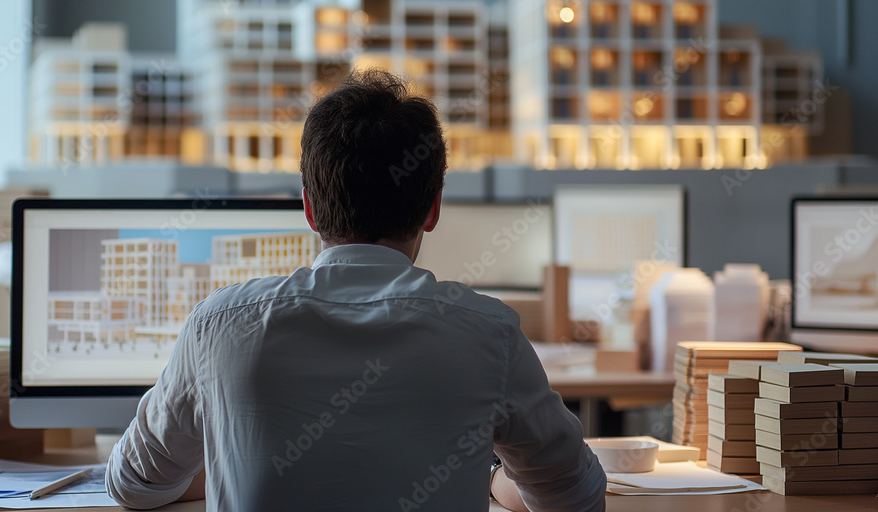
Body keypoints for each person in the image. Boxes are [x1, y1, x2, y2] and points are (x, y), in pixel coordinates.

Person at [106, 70, 606, 511]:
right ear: (433, 209)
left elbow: (133, 484)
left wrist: (230, 463)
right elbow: (577, 498)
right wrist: (491, 478)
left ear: (308, 207)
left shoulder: (217, 326)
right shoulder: (489, 333)